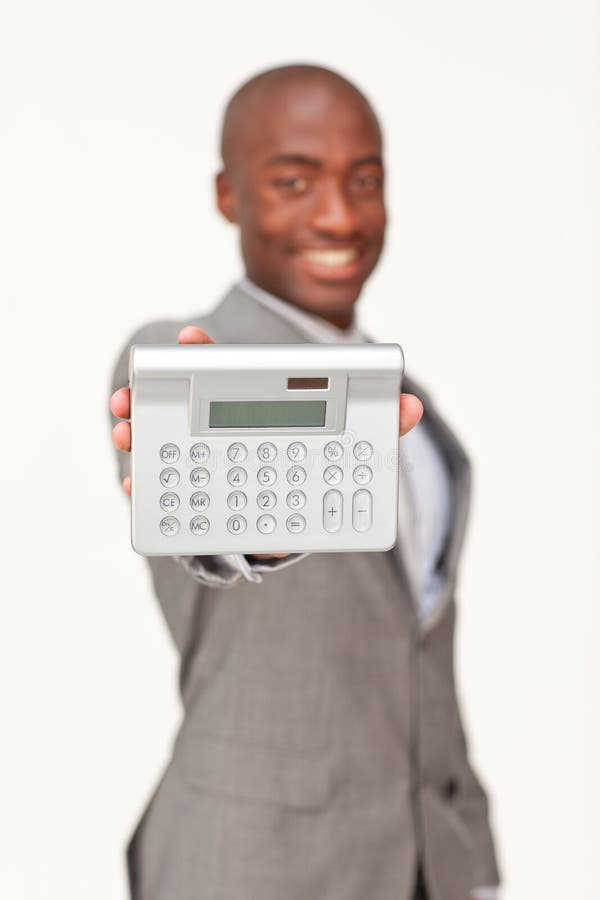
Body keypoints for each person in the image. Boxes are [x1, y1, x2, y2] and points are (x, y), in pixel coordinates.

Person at [110, 64, 500, 900]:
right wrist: (254, 531)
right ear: (227, 194)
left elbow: (420, 651)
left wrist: (473, 857)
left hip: (425, 860)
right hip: (251, 864)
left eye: (365, 181)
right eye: (294, 181)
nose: (339, 215)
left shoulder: (409, 407)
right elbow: (208, 531)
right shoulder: (184, 359)